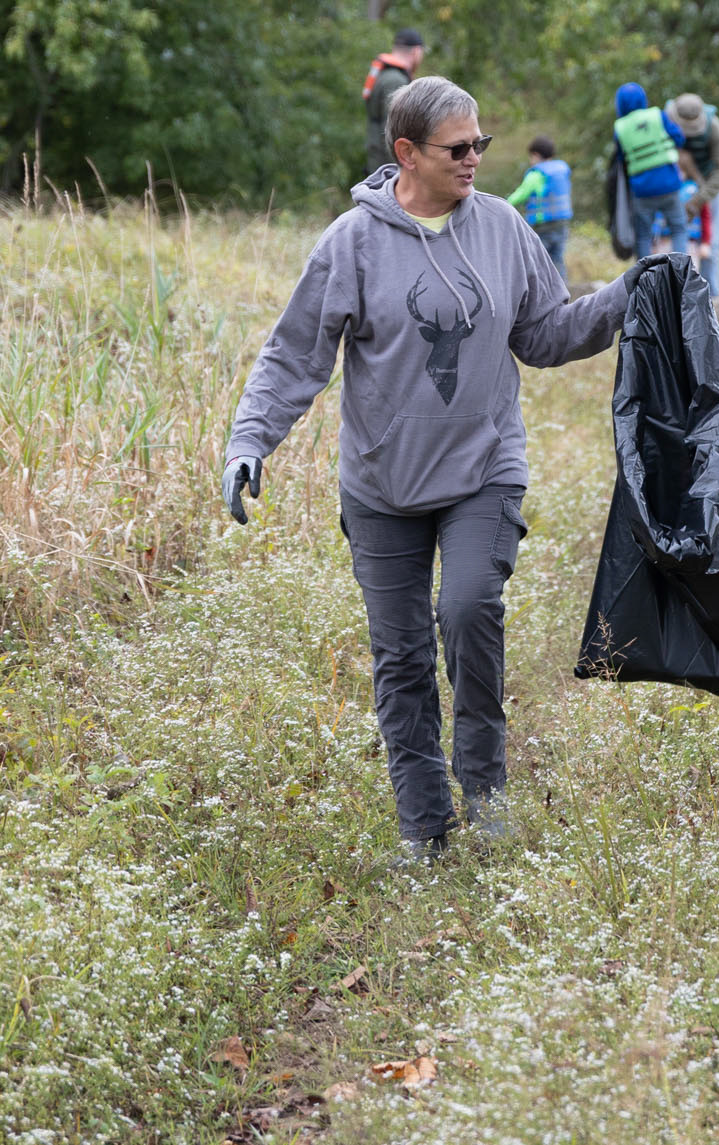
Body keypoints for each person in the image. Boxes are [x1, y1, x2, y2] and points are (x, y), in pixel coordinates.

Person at [225, 77, 631, 858]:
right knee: (403, 656)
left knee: (469, 609)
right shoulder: (351, 242)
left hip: (483, 467)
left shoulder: (505, 227)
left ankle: (485, 791)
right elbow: (294, 352)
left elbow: (545, 336)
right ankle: (426, 830)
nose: (476, 157)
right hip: (382, 485)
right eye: (459, 147)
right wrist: (251, 439)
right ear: (406, 153)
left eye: (480, 142)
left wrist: (625, 294)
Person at [607, 82, 691, 259]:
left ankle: (644, 278)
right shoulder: (657, 115)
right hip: (669, 183)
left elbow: (621, 159)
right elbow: (679, 138)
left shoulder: (620, 127)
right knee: (678, 228)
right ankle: (682, 273)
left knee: (643, 236)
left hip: (642, 189)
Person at [667, 92, 719, 295]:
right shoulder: (665, 119)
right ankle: (672, 296)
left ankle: (712, 300)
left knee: (709, 248)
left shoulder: (714, 127)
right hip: (673, 189)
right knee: (668, 244)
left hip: (707, 189)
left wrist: (698, 200)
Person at [504, 135, 575, 279]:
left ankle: (540, 296)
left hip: (542, 226)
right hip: (561, 223)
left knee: (538, 262)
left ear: (535, 155)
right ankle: (563, 294)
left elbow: (521, 194)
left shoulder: (537, 174)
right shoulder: (561, 169)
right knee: (557, 259)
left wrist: (504, 203)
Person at [362, 29, 427, 172]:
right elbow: (393, 129)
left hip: (378, 159)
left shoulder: (384, 74)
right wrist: (401, 168)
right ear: (416, 52)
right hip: (388, 166)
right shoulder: (396, 81)